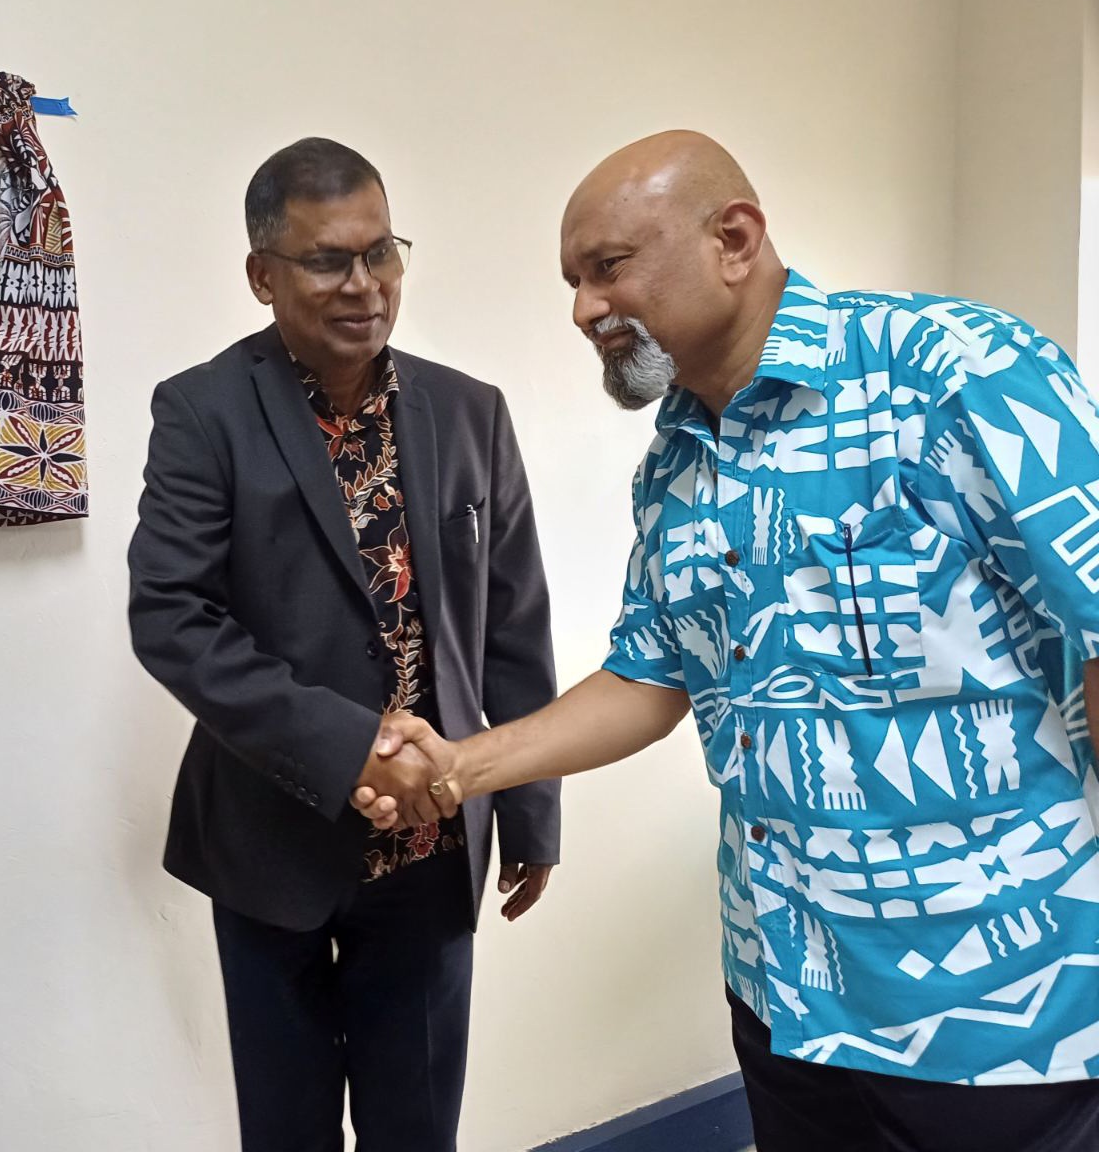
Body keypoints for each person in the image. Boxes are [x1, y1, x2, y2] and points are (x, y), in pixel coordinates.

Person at [354, 131, 1099, 1151]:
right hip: (784, 990)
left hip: (997, 1015)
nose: (583, 309)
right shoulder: (675, 460)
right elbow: (648, 679)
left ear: (734, 238)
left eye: (607, 268)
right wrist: (458, 766)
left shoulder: (954, 372)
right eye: (572, 281)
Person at [128, 137, 561, 1152]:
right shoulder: (202, 412)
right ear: (263, 275)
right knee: (288, 1132)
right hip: (271, 839)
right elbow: (174, 618)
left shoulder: (470, 412)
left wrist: (533, 808)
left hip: (434, 837)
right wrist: (344, 744)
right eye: (328, 260)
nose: (363, 285)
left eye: (382, 253)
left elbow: (513, 627)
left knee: (417, 1128)